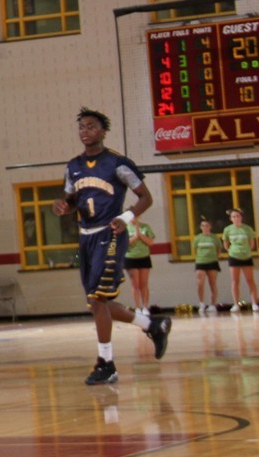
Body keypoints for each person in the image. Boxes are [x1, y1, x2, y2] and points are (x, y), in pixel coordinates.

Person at [52, 108, 171, 386]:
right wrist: (62, 207)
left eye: (91, 126)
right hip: (86, 237)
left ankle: (106, 363)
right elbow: (70, 201)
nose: (85, 131)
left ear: (103, 131)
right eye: (81, 127)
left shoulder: (118, 163)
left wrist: (126, 217)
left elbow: (146, 197)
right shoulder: (73, 167)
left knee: (97, 300)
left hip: (110, 233)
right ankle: (152, 325)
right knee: (97, 303)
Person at [222, 207, 259, 312]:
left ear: (241, 217)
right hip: (234, 257)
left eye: (238, 216)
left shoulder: (247, 229)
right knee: (235, 281)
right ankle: (236, 304)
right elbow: (226, 245)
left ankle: (254, 304)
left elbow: (252, 244)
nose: (236, 218)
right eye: (233, 217)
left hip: (246, 257)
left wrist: (246, 251)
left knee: (250, 280)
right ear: (231, 219)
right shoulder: (227, 230)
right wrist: (233, 251)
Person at [124, 216, 155, 314]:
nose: (134, 218)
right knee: (135, 285)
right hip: (131, 258)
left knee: (144, 284)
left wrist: (140, 235)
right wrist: (135, 236)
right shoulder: (125, 228)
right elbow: (124, 244)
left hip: (144, 257)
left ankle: (145, 307)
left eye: (136, 215)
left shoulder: (145, 227)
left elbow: (150, 242)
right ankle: (137, 307)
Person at [192, 218, 223, 314]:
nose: (205, 227)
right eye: (203, 226)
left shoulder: (215, 238)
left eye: (207, 225)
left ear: (210, 227)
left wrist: (214, 258)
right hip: (200, 261)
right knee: (200, 283)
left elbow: (219, 250)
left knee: (212, 283)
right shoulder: (197, 238)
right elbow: (194, 251)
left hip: (212, 262)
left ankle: (213, 304)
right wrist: (200, 257)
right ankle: (201, 303)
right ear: (200, 227)